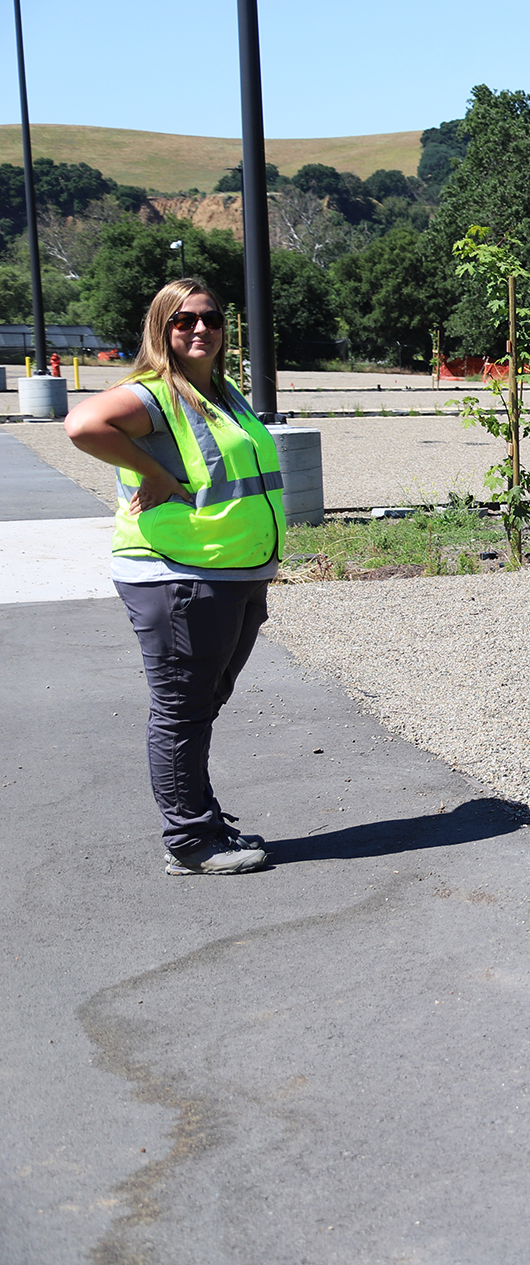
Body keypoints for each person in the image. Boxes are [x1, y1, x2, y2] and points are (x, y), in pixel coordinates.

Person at [65, 278, 286, 875]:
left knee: (201, 704)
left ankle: (202, 821)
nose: (200, 329)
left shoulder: (221, 392)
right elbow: (83, 424)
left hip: (231, 572)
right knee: (182, 710)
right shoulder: (155, 395)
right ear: (161, 329)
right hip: (178, 577)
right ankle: (190, 841)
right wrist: (153, 473)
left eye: (210, 318)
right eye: (183, 320)